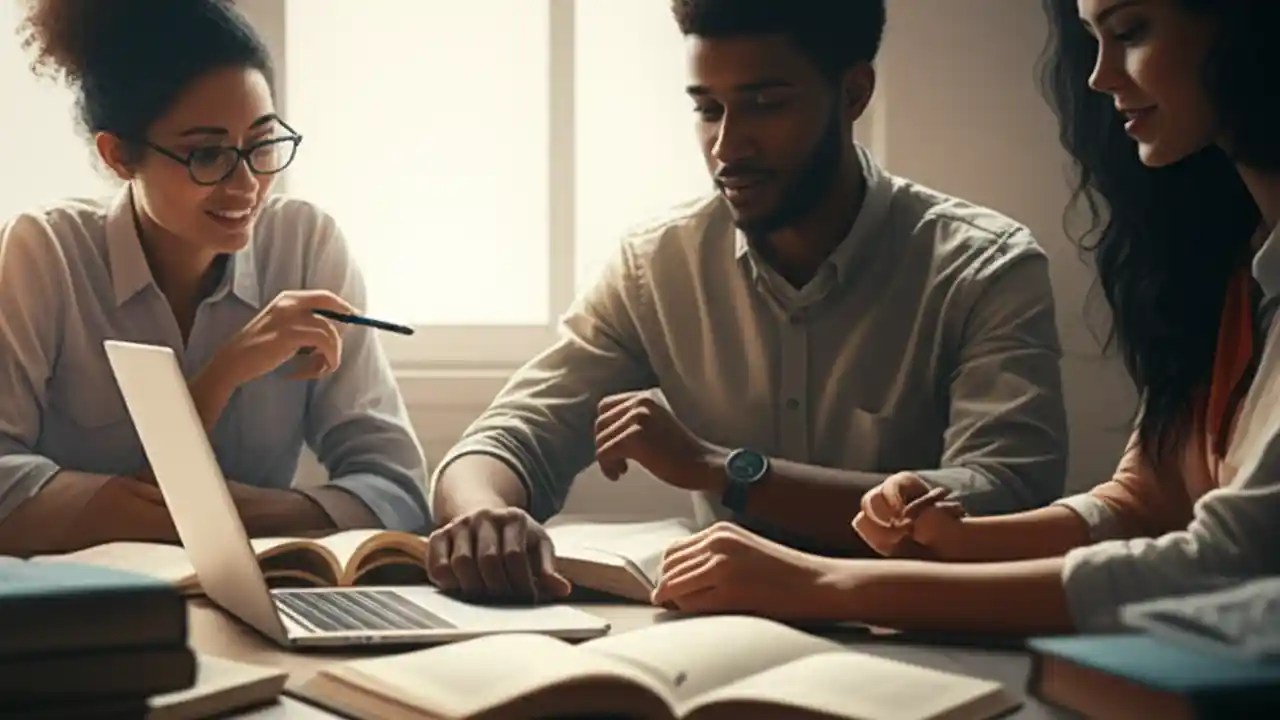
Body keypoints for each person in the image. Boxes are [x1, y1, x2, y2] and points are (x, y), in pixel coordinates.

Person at [651, 0, 1280, 634]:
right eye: (1091, 39)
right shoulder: (1229, 265)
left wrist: (821, 583)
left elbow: (1232, 566)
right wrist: (959, 539)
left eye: (1130, 32)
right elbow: (1144, 500)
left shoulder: (982, 261)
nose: (1099, 76)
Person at [425, 0, 1069, 602]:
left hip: (919, 633)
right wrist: (485, 517)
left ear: (853, 93)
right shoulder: (656, 266)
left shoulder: (986, 267)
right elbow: (516, 435)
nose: (728, 147)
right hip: (720, 634)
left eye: (764, 105)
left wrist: (728, 470)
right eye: (708, 109)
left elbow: (1008, 496)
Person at [0, 0, 429, 556]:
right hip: (84, 609)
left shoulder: (305, 246)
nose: (246, 184)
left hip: (259, 604)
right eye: (206, 154)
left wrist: (199, 510)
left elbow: (397, 490)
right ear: (119, 157)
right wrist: (224, 373)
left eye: (261, 144)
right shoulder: (44, 254)